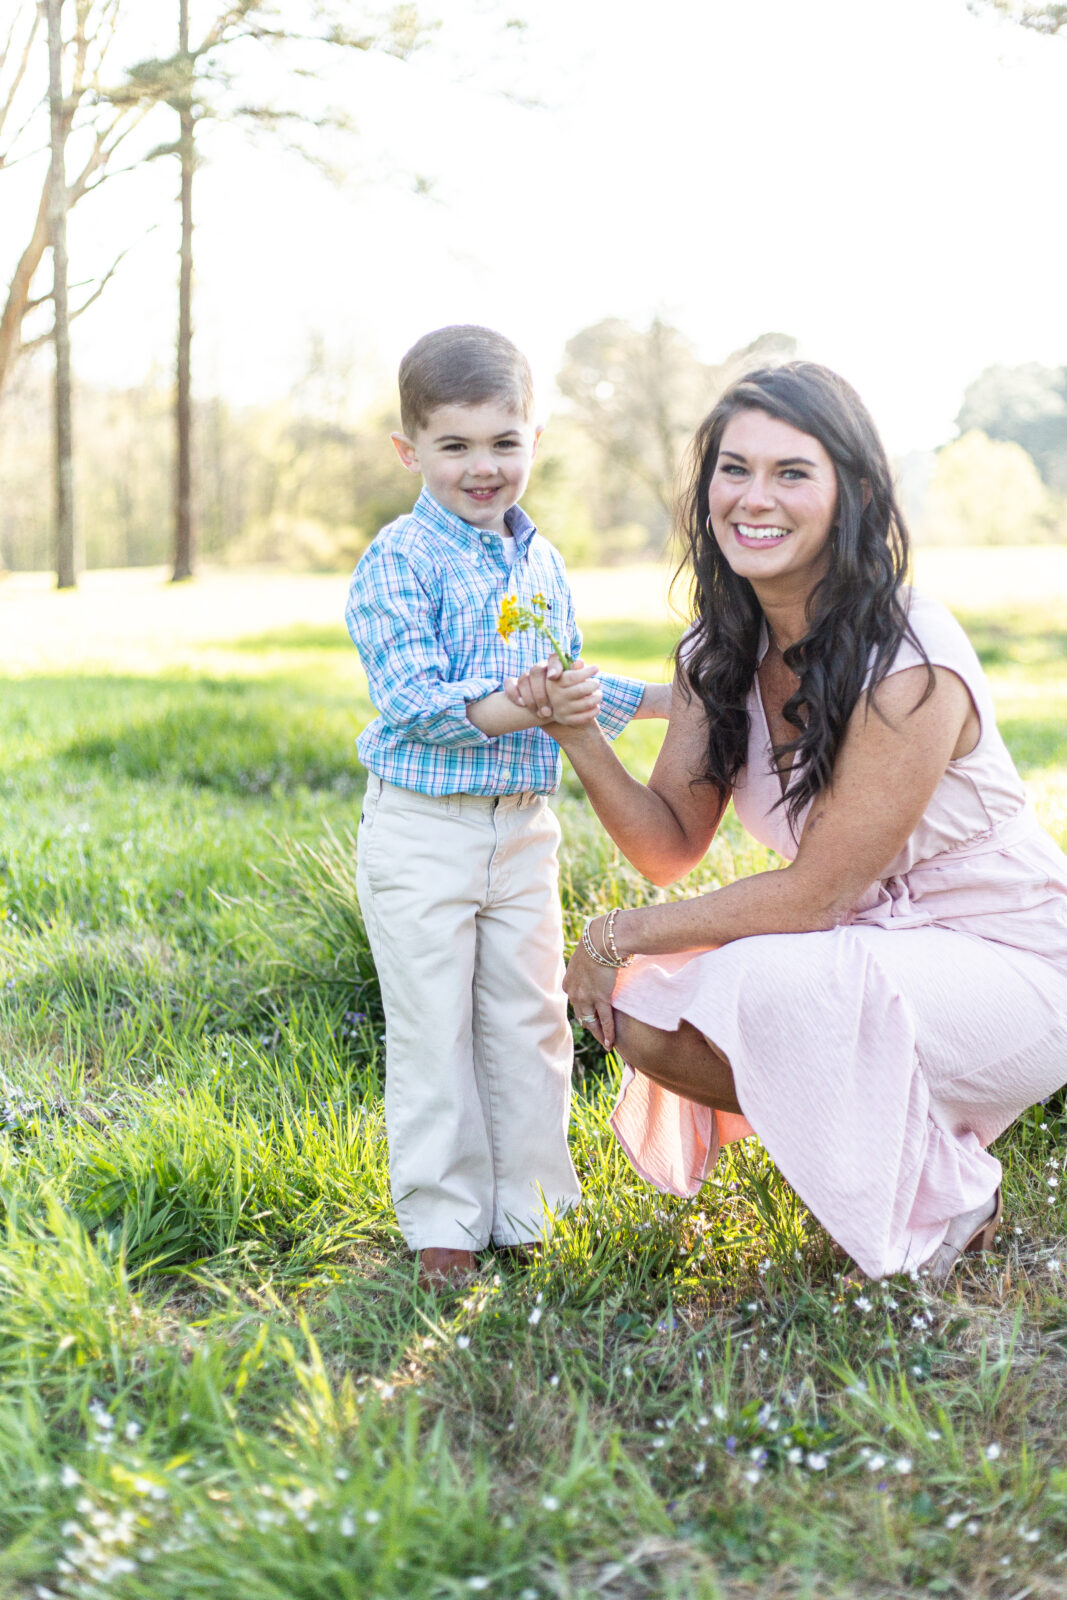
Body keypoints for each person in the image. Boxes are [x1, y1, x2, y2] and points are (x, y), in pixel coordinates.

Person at [509, 361, 1067, 1281]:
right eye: (734, 469)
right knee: (641, 1008)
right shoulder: (719, 650)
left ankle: (943, 1195)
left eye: (790, 472)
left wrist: (613, 932)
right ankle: (929, 1163)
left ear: (853, 493)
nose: (753, 498)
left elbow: (815, 896)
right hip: (868, 945)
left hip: (1012, 958)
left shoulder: (910, 656)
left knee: (767, 984)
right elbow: (666, 847)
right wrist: (579, 736)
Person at [345, 324, 671, 1289]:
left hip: (523, 828)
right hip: (423, 830)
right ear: (409, 450)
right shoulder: (399, 560)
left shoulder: (541, 561)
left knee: (529, 1022)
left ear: (534, 440)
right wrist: (520, 705)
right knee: (433, 1027)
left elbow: (568, 686)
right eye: (454, 445)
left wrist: (669, 699)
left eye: (503, 442)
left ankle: (532, 1210)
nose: (482, 467)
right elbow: (414, 703)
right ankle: (442, 1221)